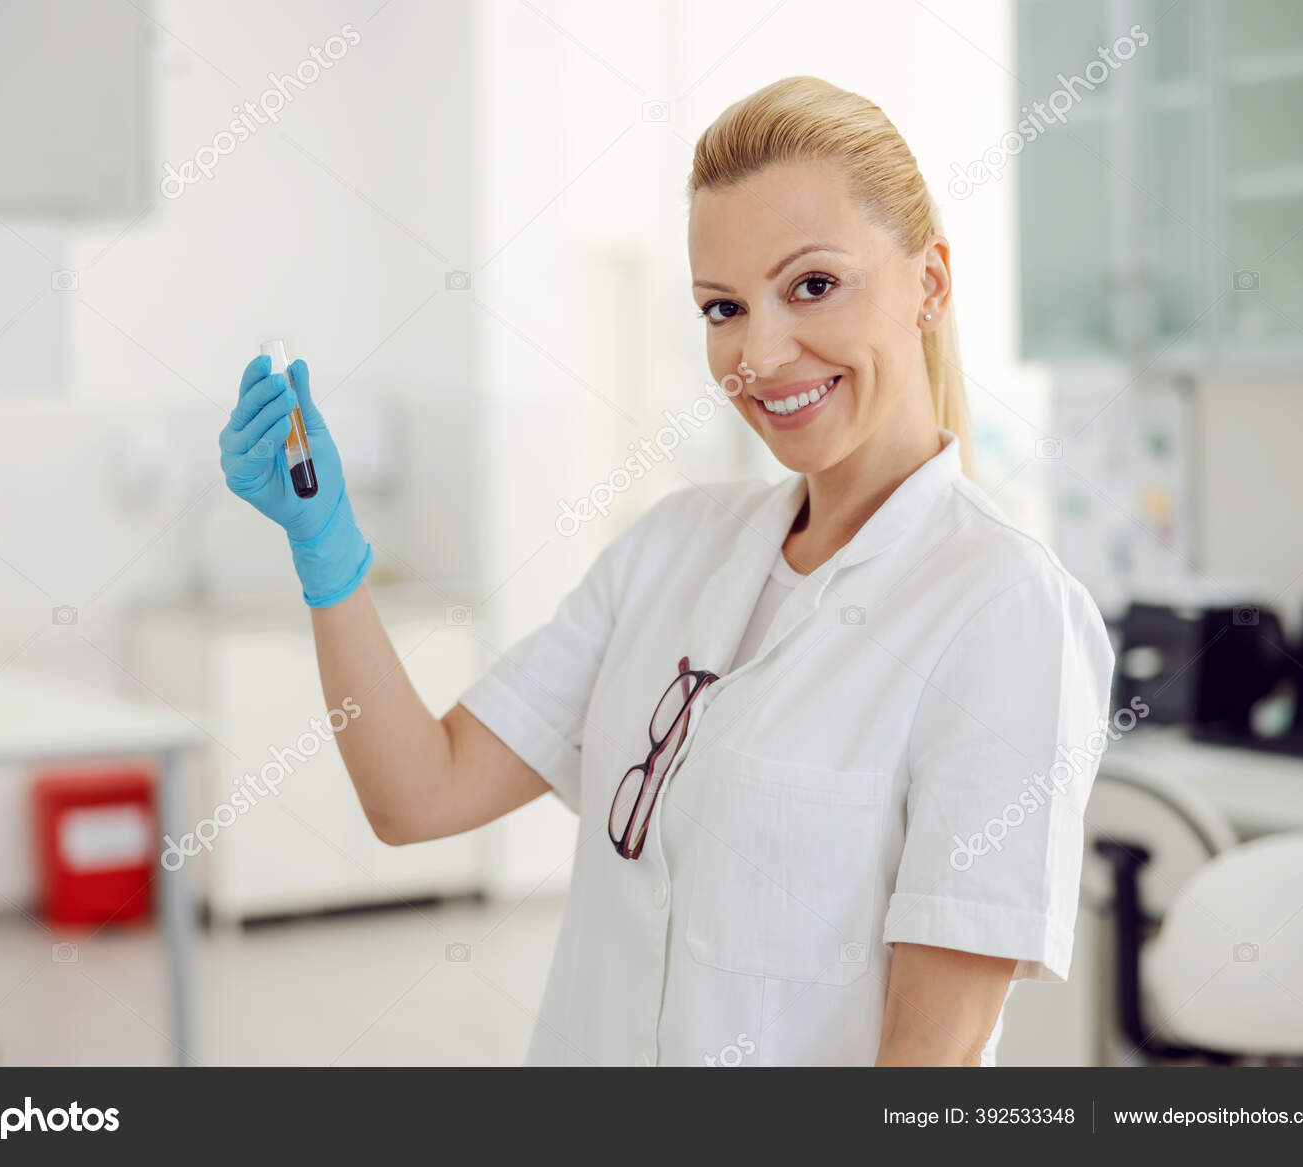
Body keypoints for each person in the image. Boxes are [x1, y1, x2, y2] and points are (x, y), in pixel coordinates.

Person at [218, 76, 1115, 1066]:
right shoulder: (671, 548)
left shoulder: (1000, 609)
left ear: (930, 284)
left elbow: (930, 1055)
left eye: (812, 285)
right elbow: (416, 795)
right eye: (721, 307)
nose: (761, 351)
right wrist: (328, 554)